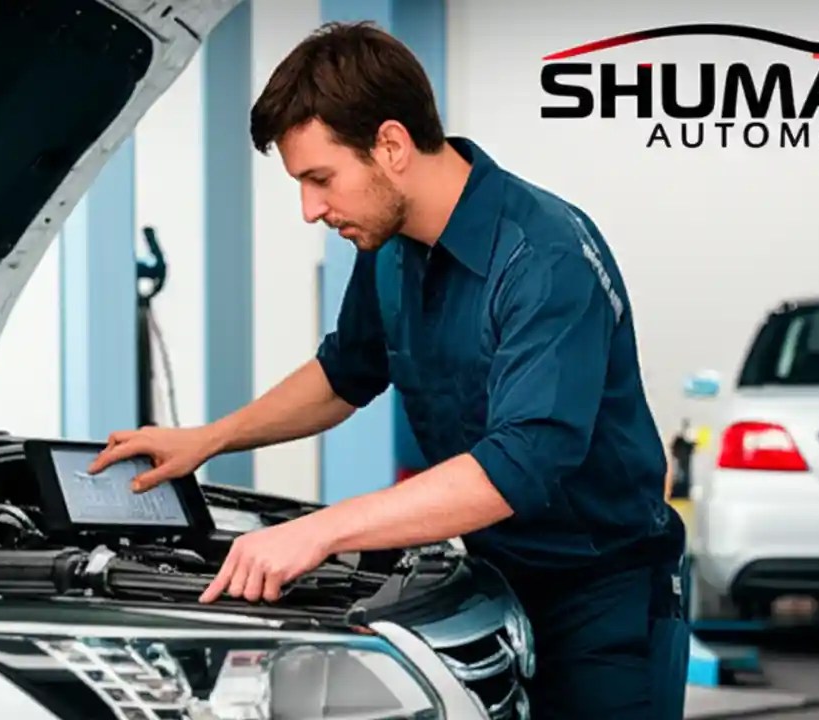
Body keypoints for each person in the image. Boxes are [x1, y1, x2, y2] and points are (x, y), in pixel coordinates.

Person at [89, 20, 689, 719]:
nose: (311, 209)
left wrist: (319, 530)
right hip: (491, 580)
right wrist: (208, 439)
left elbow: (521, 464)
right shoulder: (392, 247)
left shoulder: (543, 258)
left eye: (320, 179)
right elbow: (345, 373)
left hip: (604, 599)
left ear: (392, 146)